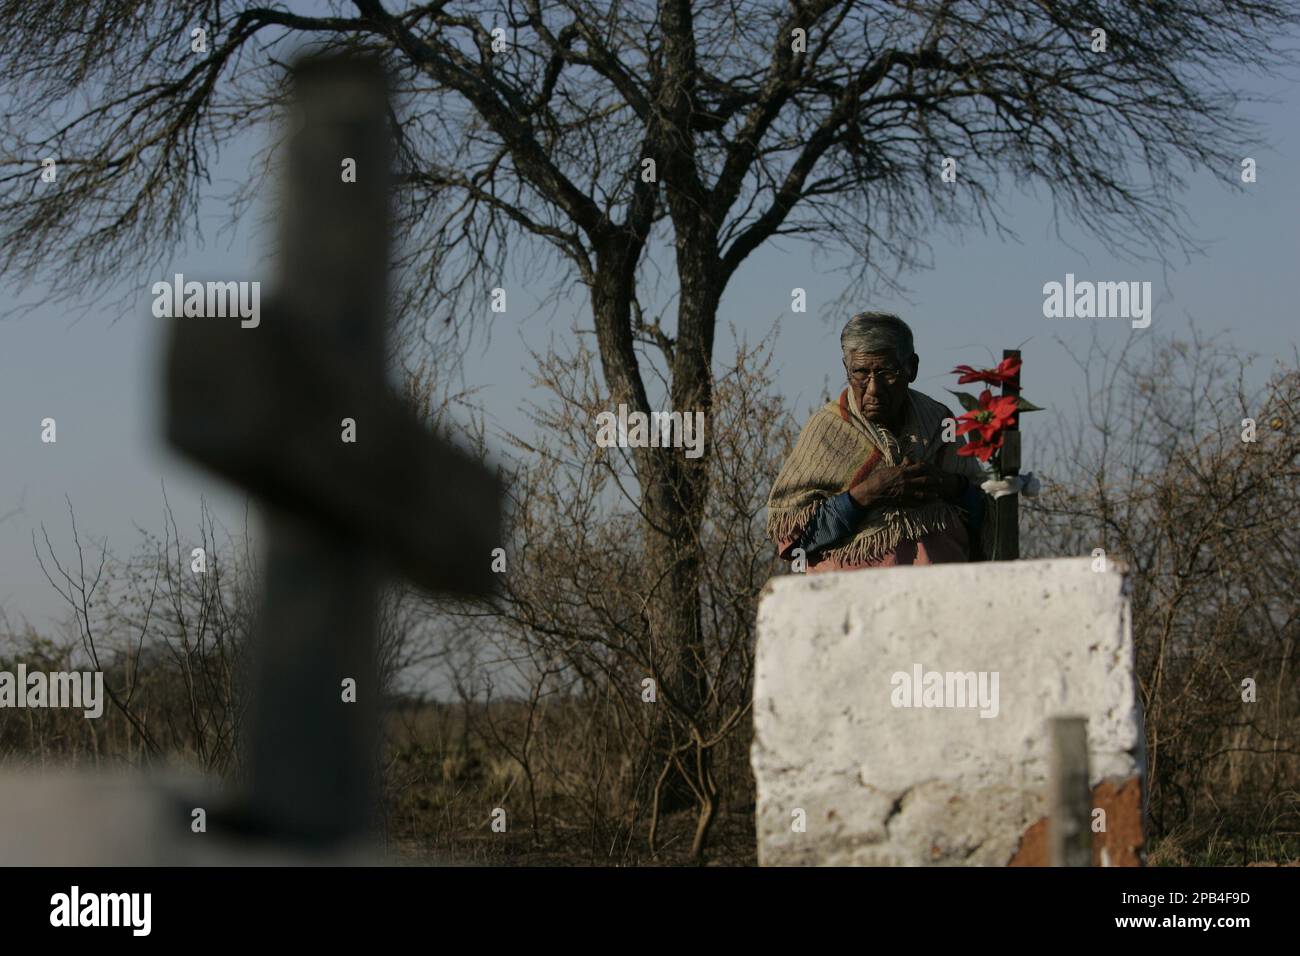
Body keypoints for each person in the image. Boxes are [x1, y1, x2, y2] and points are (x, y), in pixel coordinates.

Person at [766, 311, 988, 572]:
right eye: (861, 372)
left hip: (939, 593)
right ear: (846, 370)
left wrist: (946, 484)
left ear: (912, 368)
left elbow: (985, 514)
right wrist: (867, 493)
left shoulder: (940, 422)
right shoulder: (826, 430)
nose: (873, 389)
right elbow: (794, 540)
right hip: (854, 599)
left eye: (887, 372)